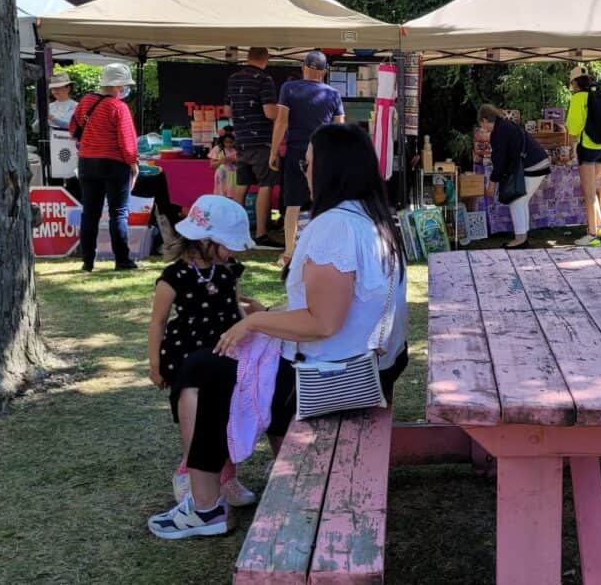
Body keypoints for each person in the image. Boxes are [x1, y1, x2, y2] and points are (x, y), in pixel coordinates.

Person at [147, 123, 409, 540]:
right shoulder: (373, 217)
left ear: (330, 169)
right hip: (368, 368)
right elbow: (343, 307)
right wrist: (270, 313)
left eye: (308, 165)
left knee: (198, 371)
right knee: (212, 366)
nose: (304, 173)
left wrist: (253, 321)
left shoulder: (334, 226)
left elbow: (323, 322)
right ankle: (214, 488)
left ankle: (205, 504)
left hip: (331, 380)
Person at [147, 194, 260, 509]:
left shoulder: (228, 271)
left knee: (229, 413)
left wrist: (255, 321)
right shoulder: (173, 277)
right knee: (195, 415)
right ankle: (190, 468)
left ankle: (227, 475)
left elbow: (235, 308)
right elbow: (157, 323)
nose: (234, 252)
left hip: (225, 352)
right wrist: (155, 364)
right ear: (208, 240)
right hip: (188, 357)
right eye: (230, 244)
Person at [270, 50, 345, 265]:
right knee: (323, 202)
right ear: (324, 72)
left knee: (292, 204)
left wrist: (274, 152)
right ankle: (324, 249)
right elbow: (339, 128)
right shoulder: (333, 94)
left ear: (304, 67)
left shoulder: (289, 88)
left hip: (295, 151)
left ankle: (289, 253)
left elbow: (282, 121)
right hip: (323, 153)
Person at [69, 62, 140, 272]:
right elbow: (127, 142)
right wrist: (133, 164)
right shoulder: (119, 107)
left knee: (90, 212)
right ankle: (122, 260)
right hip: (114, 164)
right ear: (119, 86)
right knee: (118, 212)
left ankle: (88, 261)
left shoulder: (85, 101)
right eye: (124, 86)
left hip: (87, 163)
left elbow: (74, 128)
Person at [225, 47, 281, 249]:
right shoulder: (264, 79)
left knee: (243, 184)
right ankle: (261, 233)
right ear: (266, 59)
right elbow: (269, 112)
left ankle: (236, 230)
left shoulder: (234, 78)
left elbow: (226, 110)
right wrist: (282, 113)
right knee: (266, 183)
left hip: (241, 139)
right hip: (261, 140)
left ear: (248, 57)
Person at [479, 104, 550, 248]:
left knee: (516, 201)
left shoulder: (499, 132)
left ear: (485, 120)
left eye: (481, 123)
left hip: (533, 164)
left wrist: (492, 182)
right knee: (521, 201)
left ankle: (520, 239)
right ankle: (522, 237)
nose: (482, 127)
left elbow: (499, 161)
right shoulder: (505, 125)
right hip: (538, 161)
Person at [564, 66, 601, 246]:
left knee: (589, 193)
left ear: (574, 83)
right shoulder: (600, 93)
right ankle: (599, 226)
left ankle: (592, 234)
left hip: (588, 146)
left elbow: (573, 128)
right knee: (594, 189)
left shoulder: (577, 99)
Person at [208, 132, 238, 198]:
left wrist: (233, 161)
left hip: (234, 176)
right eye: (226, 142)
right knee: (221, 195)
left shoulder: (236, 149)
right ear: (222, 141)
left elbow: (241, 164)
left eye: (231, 142)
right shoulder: (217, 149)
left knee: (233, 196)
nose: (229, 144)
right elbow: (212, 165)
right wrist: (221, 161)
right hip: (222, 176)